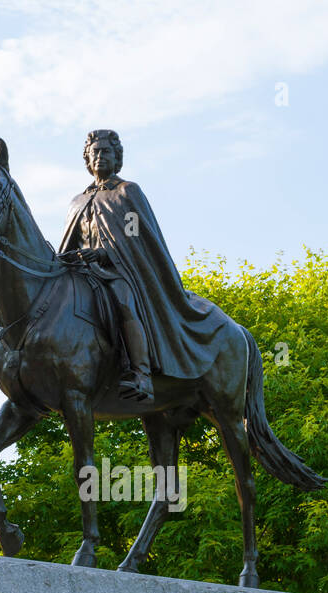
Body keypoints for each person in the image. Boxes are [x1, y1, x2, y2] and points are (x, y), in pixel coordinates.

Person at [58, 130, 234, 404]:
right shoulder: (77, 202)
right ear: (87, 159)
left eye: (107, 151)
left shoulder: (127, 192)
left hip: (118, 271)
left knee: (124, 302)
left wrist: (104, 254)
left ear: (117, 158)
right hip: (82, 275)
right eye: (95, 152)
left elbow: (135, 238)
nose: (101, 156)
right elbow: (70, 243)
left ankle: (141, 374)